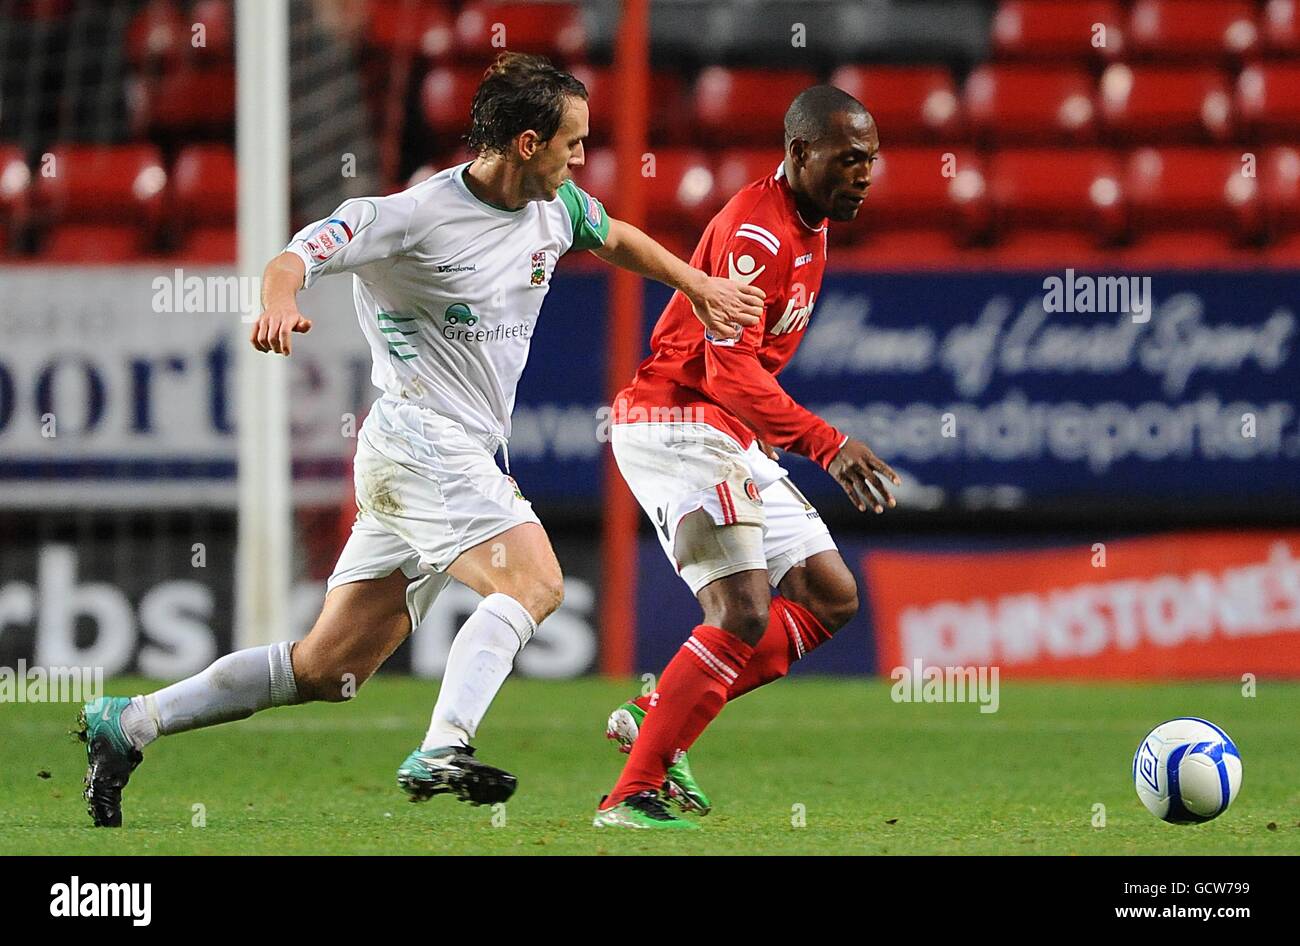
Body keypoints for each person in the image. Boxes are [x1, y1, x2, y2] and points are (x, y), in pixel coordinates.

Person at [77, 52, 764, 828]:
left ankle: (129, 722)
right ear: (528, 143)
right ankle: (444, 744)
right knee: (534, 583)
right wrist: (276, 302)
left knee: (326, 668)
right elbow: (299, 252)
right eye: (573, 142)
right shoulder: (411, 217)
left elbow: (616, 238)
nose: (584, 157)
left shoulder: (558, 207)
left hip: (432, 458)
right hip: (420, 441)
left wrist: (700, 286)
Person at [594, 85, 900, 830]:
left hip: (728, 431)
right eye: (849, 159)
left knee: (830, 596)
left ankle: (657, 708)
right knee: (741, 610)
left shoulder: (814, 222)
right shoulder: (757, 236)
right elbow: (731, 370)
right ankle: (631, 795)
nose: (864, 174)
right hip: (678, 421)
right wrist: (827, 443)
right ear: (799, 153)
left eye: (871, 161)